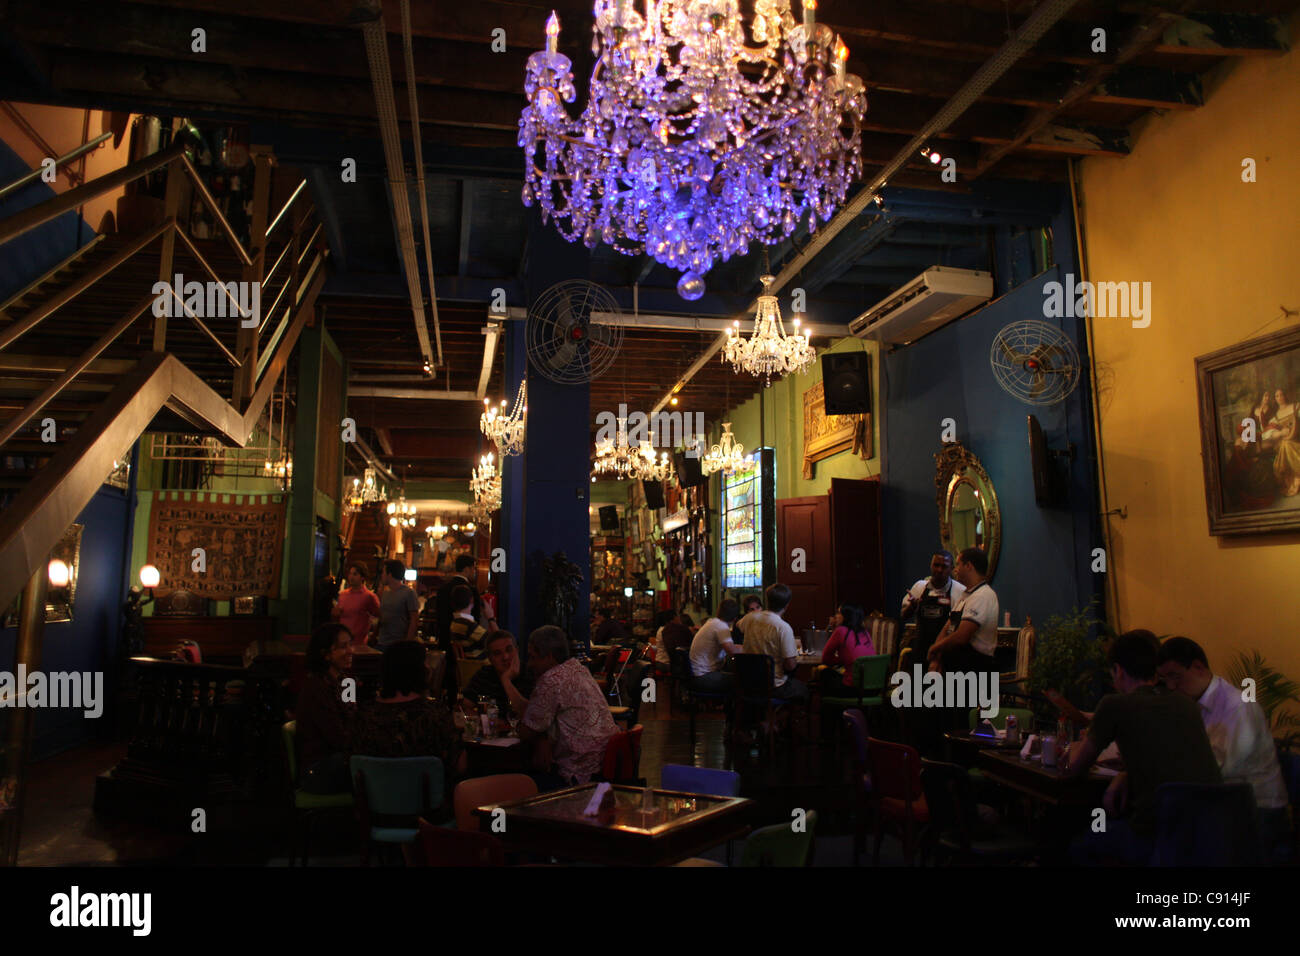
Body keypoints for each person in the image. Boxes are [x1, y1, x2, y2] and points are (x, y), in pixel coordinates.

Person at [1063, 631, 1222, 865]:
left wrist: (1071, 748)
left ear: (1118, 670)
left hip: (1155, 833)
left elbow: (1074, 768)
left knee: (1077, 843)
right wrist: (1127, 773)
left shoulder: (1114, 704)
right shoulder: (1184, 702)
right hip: (1208, 834)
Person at [1156, 636, 1289, 853]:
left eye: (1175, 676)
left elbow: (1218, 772)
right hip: (1224, 803)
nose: (1171, 686)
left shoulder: (1238, 707)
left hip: (1259, 810)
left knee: (1171, 837)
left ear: (1199, 667)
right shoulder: (1191, 705)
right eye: (1164, 679)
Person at [508, 625, 618, 790]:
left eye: (533, 657)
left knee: (515, 784)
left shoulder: (551, 680)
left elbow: (527, 731)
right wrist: (543, 736)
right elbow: (539, 719)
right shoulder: (579, 669)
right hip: (604, 769)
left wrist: (536, 734)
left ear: (550, 657)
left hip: (577, 776)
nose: (529, 664)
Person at [350, 640, 463, 773]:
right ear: (418, 670)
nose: (429, 667)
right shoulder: (435, 715)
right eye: (425, 662)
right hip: (423, 792)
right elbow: (460, 765)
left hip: (375, 792)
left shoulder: (364, 715)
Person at [295, 623, 355, 793]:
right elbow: (337, 738)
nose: (351, 650)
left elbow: (352, 717)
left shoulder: (346, 681)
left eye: (351, 644)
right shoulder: (316, 687)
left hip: (339, 758)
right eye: (343, 646)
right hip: (318, 768)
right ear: (325, 654)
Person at [926, 547, 998, 677]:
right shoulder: (965, 595)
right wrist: (936, 659)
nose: (955, 569)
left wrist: (934, 648)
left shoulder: (983, 595)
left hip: (976, 671)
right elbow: (947, 628)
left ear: (969, 566)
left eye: (958, 564)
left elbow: (962, 636)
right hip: (957, 671)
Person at [737, 582, 807, 701]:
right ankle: (779, 717)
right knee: (804, 689)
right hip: (773, 686)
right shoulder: (783, 627)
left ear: (767, 601)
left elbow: (739, 626)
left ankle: (765, 717)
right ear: (787, 605)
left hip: (748, 682)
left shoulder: (750, 618)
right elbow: (790, 665)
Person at [900, 550, 966, 665]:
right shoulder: (919, 587)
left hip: (946, 654)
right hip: (920, 651)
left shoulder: (959, 590)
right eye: (936, 565)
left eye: (944, 566)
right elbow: (903, 615)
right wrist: (912, 606)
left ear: (951, 568)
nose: (939, 570)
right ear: (931, 566)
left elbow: (958, 627)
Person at [461, 630, 534, 715]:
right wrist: (486, 721)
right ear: (490, 658)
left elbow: (529, 714)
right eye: (497, 653)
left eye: (509, 650)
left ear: (517, 650)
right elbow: (465, 706)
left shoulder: (530, 672)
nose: (505, 657)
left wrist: (506, 680)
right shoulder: (484, 674)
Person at [688, 598, 741, 693]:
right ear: (735, 618)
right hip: (704, 677)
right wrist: (751, 648)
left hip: (696, 674)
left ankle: (722, 706)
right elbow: (732, 651)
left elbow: (730, 647)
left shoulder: (712, 622)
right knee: (742, 681)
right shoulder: (721, 626)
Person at [820, 603, 875, 692]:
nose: (836, 616)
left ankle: (830, 705)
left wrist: (841, 659)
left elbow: (825, 659)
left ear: (846, 616)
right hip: (874, 688)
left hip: (855, 688)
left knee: (824, 673)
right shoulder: (865, 632)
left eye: (838, 613)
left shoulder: (841, 631)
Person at [333, 561, 381, 649]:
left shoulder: (369, 596)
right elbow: (337, 617)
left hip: (360, 643)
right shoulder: (343, 595)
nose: (351, 577)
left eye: (355, 574)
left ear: (362, 577)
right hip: (343, 642)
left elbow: (380, 617)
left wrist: (374, 636)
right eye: (350, 574)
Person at [377, 559, 419, 649]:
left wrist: (407, 643)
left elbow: (414, 619)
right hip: (382, 642)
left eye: (383, 572)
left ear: (390, 574)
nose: (382, 575)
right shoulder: (384, 592)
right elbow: (381, 617)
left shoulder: (408, 593)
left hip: (398, 643)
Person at [447, 584, 487, 659]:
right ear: (471, 600)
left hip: (468, 667)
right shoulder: (468, 626)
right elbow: (495, 642)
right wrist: (490, 618)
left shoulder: (455, 623)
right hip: (480, 666)